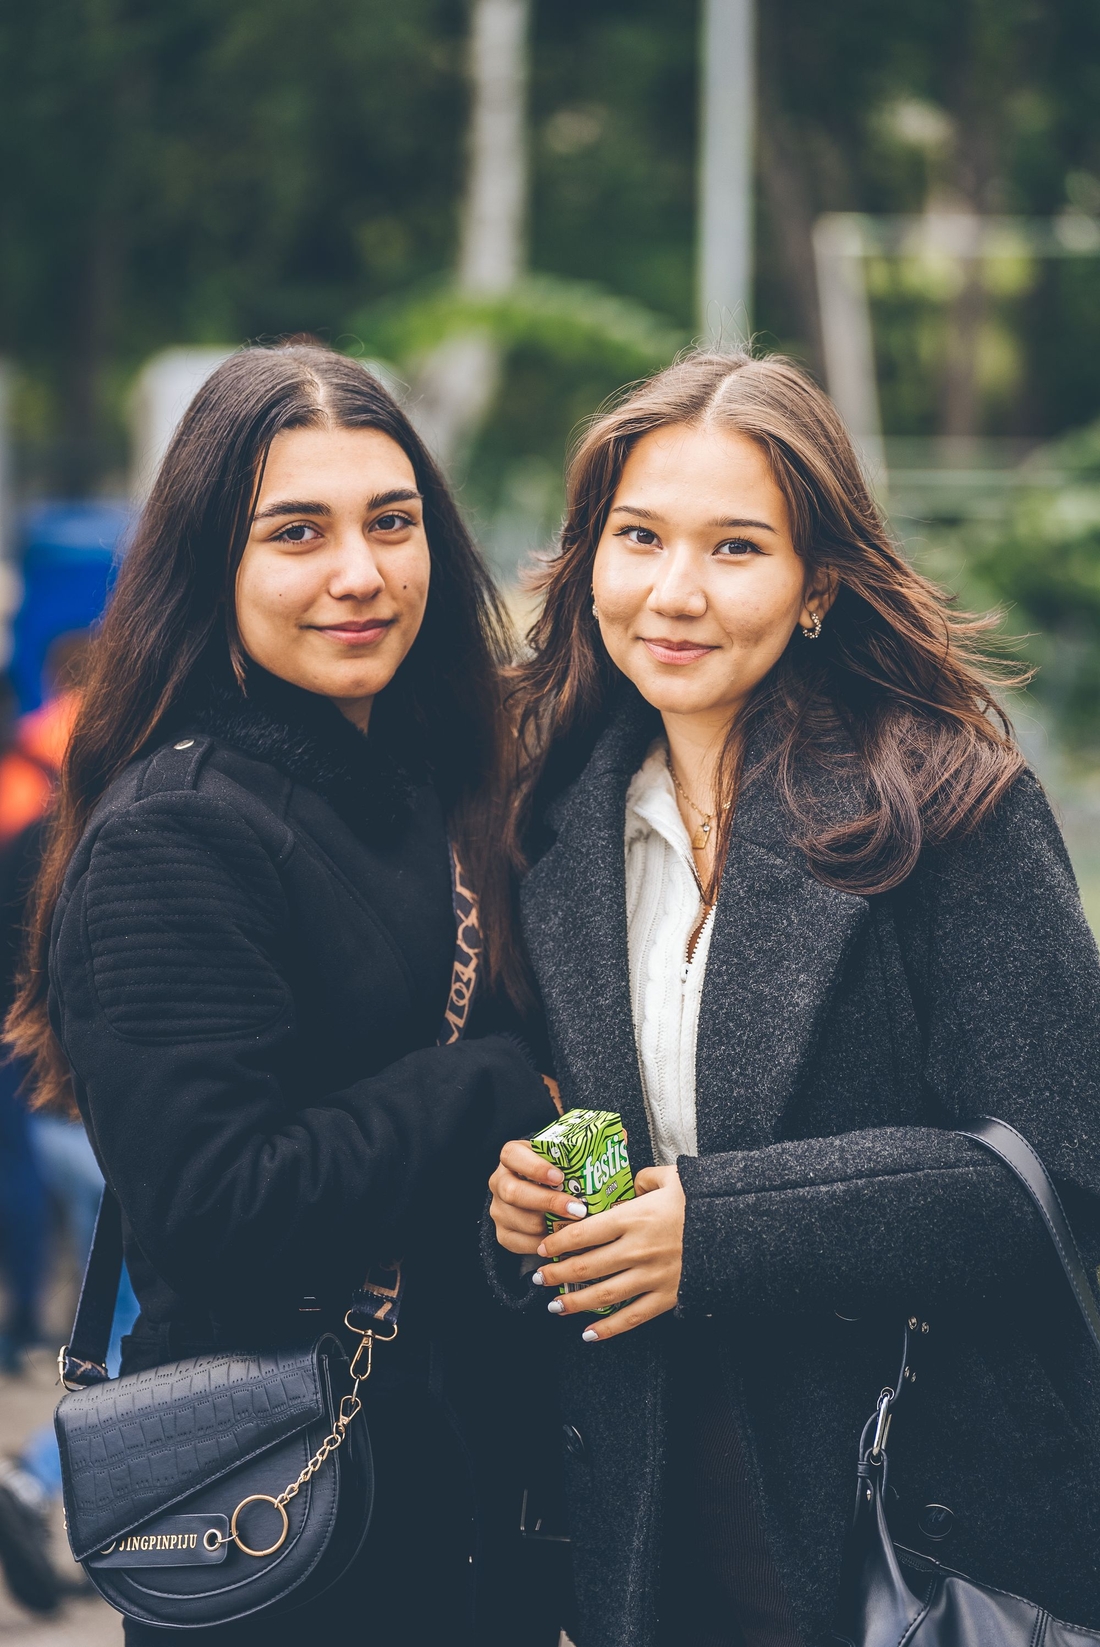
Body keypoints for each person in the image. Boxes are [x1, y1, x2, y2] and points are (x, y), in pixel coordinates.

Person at [487, 351, 1100, 1647]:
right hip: (645, 1521)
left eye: (737, 548)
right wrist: (534, 1208)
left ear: (819, 581)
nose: (674, 592)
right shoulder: (554, 821)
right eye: (638, 537)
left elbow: (1063, 1176)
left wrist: (719, 1230)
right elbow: (593, 1161)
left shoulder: (951, 806)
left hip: (910, 1517)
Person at [7, 343, 559, 1644]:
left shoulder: (434, 779)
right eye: (297, 532)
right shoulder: (175, 834)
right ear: (214, 566)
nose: (360, 574)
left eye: (393, 522)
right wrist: (490, 1088)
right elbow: (217, 1210)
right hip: (283, 1518)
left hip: (462, 1488)